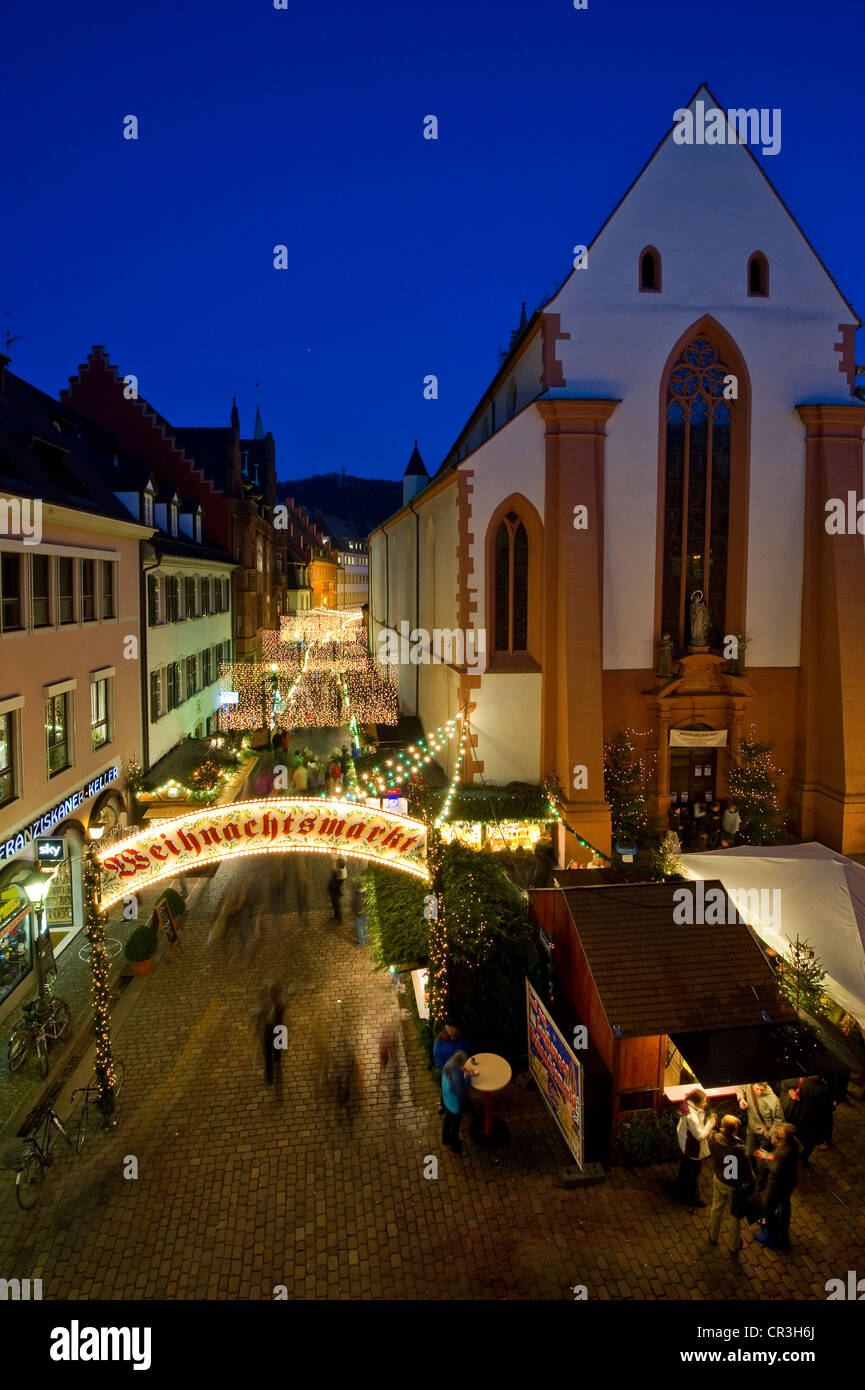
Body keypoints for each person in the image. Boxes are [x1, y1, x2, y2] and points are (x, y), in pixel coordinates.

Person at [708, 1115, 754, 1254]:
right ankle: (734, 1245)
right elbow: (748, 1172)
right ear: (735, 1130)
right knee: (735, 1215)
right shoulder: (740, 1150)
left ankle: (713, 1235)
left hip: (719, 1179)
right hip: (734, 1185)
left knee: (716, 1207)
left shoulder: (714, 1140)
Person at [754, 1123, 798, 1249]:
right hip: (789, 1181)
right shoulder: (792, 1144)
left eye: (781, 1131)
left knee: (769, 1207)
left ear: (785, 1137)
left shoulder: (784, 1152)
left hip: (778, 1183)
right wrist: (768, 1155)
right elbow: (777, 1158)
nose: (778, 1130)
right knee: (784, 1205)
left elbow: (776, 1167)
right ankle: (782, 1234)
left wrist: (766, 1159)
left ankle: (770, 1236)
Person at [676, 1089, 717, 1211]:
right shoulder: (691, 1117)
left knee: (685, 1168)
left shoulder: (688, 1108)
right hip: (692, 1148)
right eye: (703, 1102)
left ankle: (680, 1187)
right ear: (697, 1101)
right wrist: (710, 1124)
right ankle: (692, 1198)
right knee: (693, 1173)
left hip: (686, 1143)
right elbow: (699, 1136)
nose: (705, 1104)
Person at [736, 1081, 784, 1169]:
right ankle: (754, 1173)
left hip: (765, 1134)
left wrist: (769, 1134)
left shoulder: (773, 1100)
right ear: (752, 1085)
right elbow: (739, 1087)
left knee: (765, 1160)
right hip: (751, 1128)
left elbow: (779, 1120)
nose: (759, 1092)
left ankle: (763, 1176)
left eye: (762, 1089)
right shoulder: (748, 1085)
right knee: (749, 1153)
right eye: (757, 1089)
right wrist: (741, 1099)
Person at [441, 1051, 478, 1155]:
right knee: (455, 1124)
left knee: (447, 1118)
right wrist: (467, 1076)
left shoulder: (449, 1064)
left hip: (447, 1097)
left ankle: (445, 1139)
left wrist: (462, 1071)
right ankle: (455, 1145)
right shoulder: (456, 1074)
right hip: (454, 1100)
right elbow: (463, 1089)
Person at [434, 1019, 472, 1116]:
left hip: (459, 1070)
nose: (450, 1031)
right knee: (445, 1089)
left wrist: (464, 1065)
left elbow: (467, 1050)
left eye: (452, 1029)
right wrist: (442, 1068)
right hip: (446, 1070)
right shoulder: (441, 1038)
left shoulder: (462, 1038)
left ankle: (459, 1103)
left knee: (458, 1088)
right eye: (448, 1028)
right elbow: (437, 1054)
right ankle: (443, 1104)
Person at [794, 1074, 833, 1166]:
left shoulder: (802, 1080)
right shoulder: (823, 1088)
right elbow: (827, 1106)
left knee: (797, 1136)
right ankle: (804, 1158)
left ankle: (798, 1155)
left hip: (799, 1114)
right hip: (814, 1119)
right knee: (810, 1143)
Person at [256, 982, 286, 1087]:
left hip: (277, 1029)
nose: (269, 995)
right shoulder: (268, 1003)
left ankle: (276, 1063)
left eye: (270, 993)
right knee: (268, 1052)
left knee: (276, 1049)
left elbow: (278, 1019)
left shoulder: (280, 1004)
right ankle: (269, 1074)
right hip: (270, 1029)